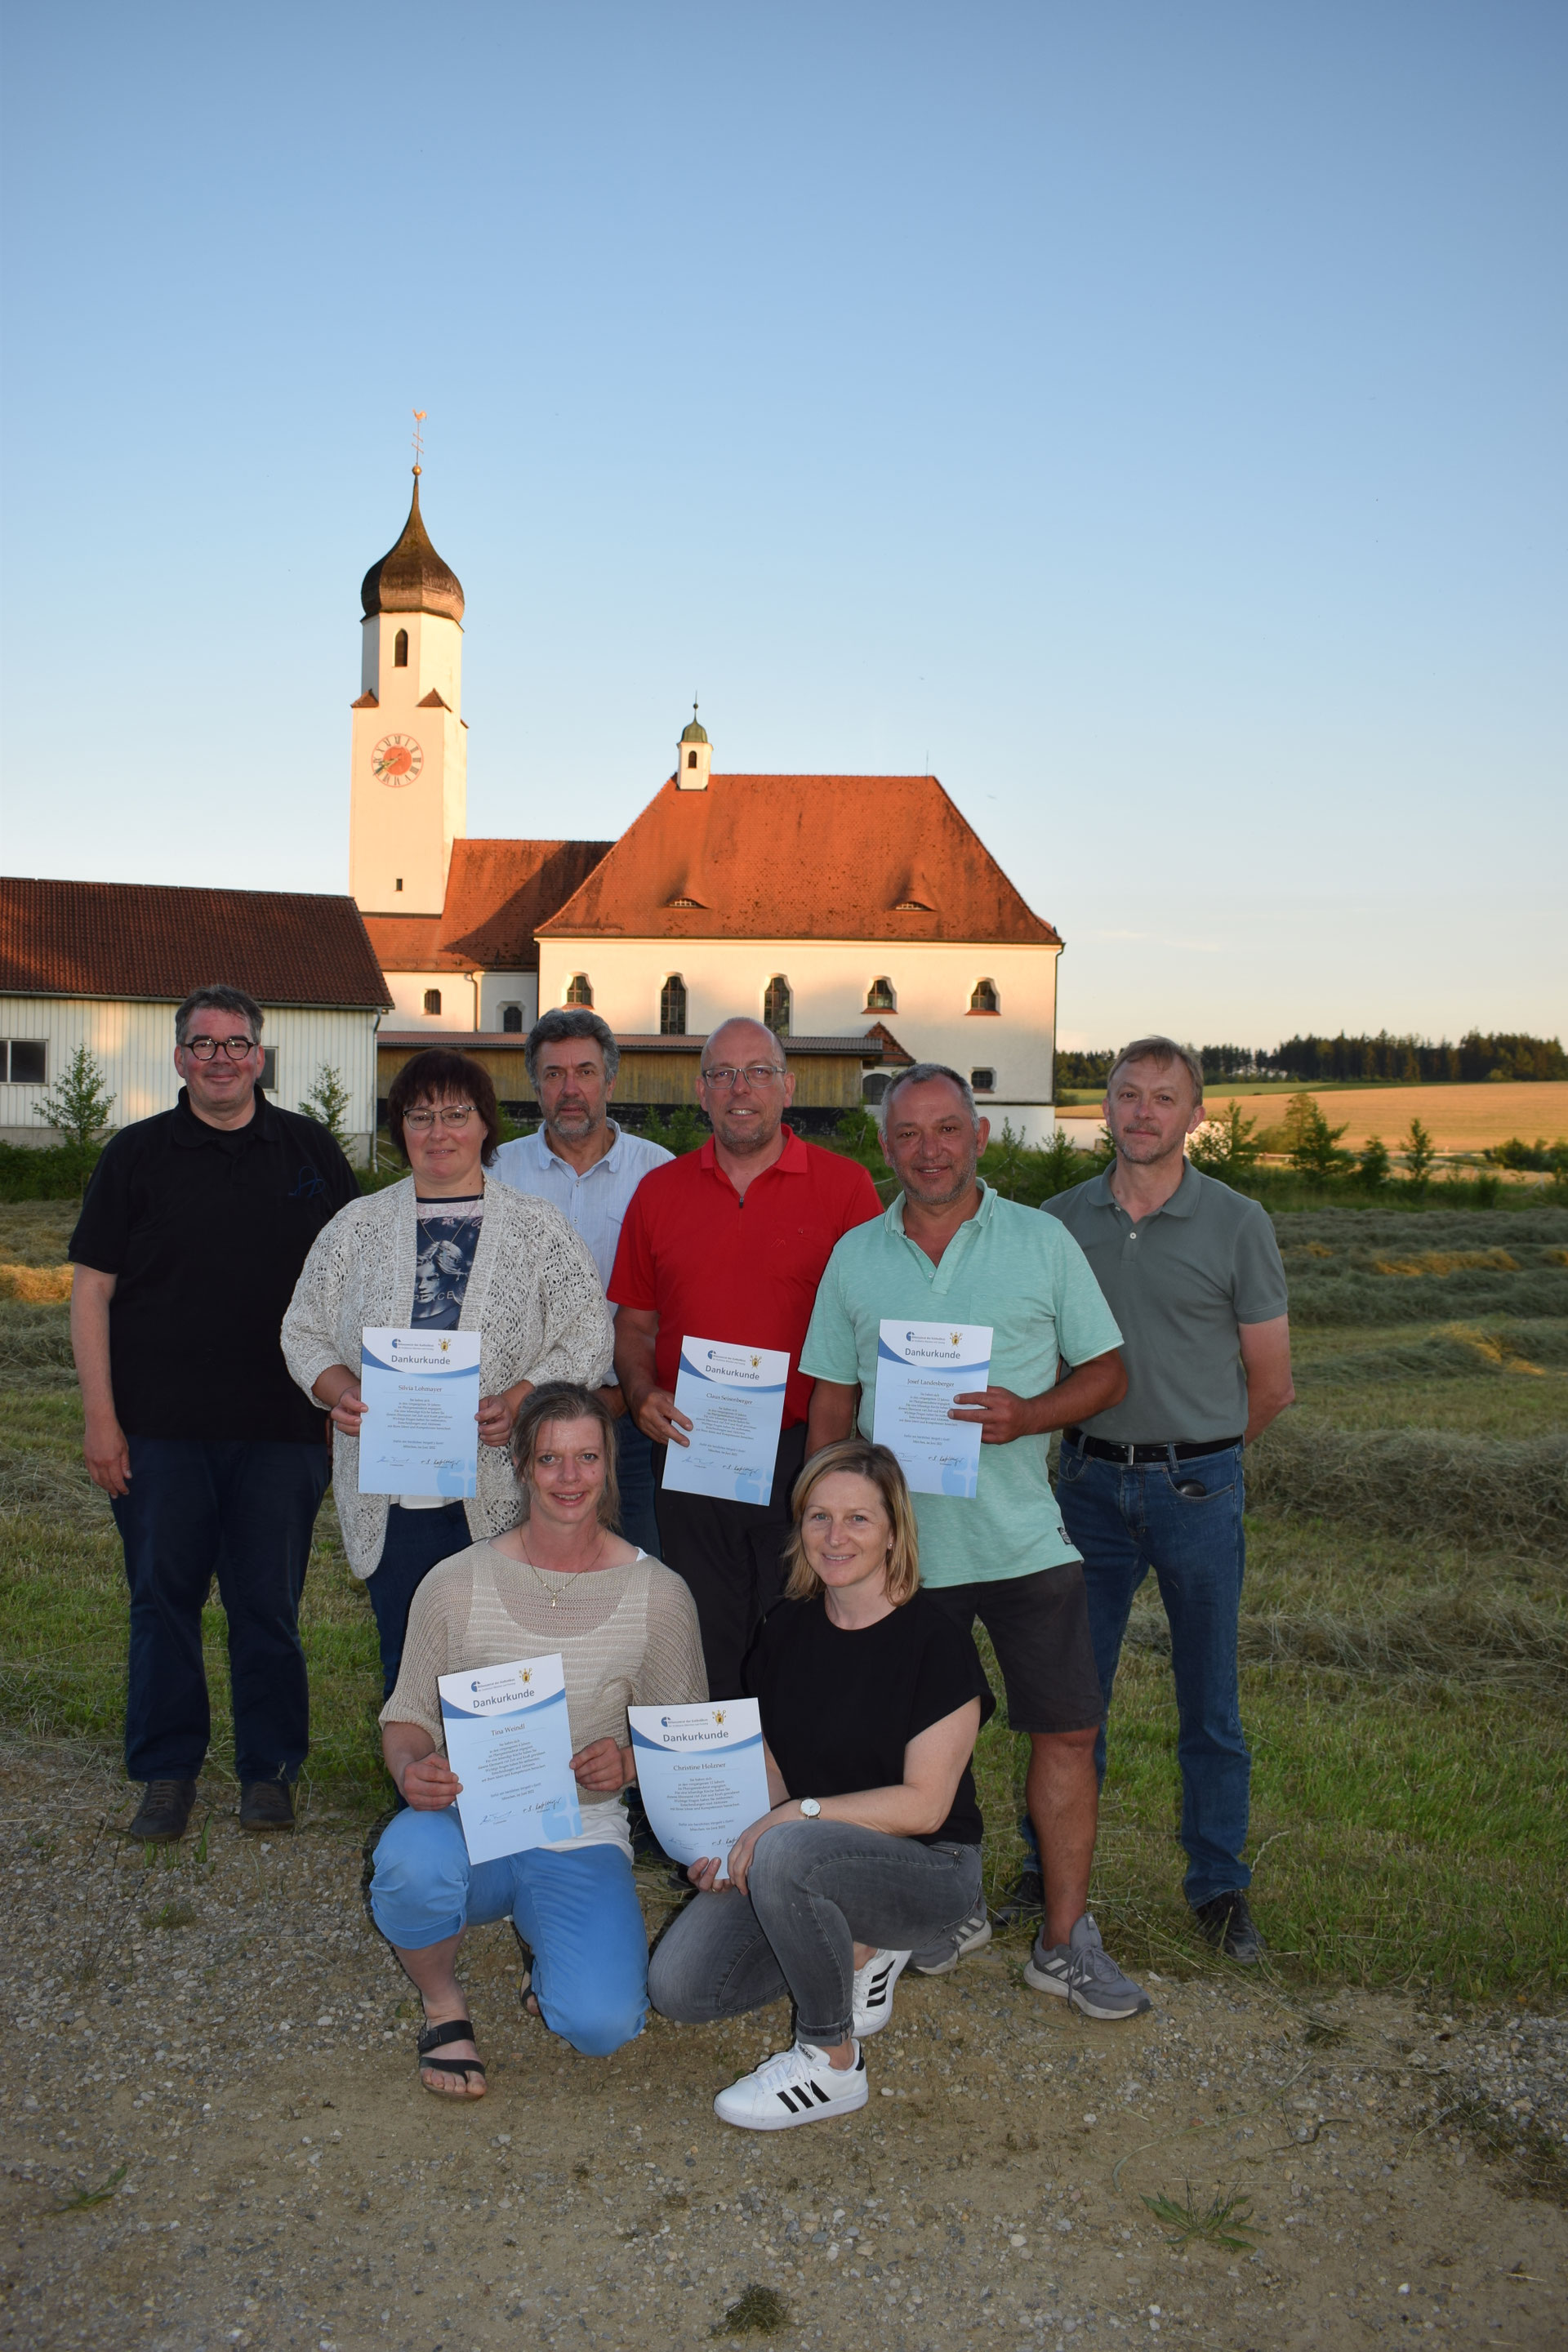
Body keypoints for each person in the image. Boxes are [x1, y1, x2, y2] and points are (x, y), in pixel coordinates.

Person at [801, 1063, 1152, 2021]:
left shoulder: (1040, 1241)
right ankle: (941, 1909)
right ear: (886, 1146)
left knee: (1066, 1731)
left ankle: (1064, 1941)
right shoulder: (855, 1255)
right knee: (903, 1746)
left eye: (948, 1129)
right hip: (900, 1558)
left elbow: (1110, 1371)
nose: (930, 1150)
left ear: (980, 1136)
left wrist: (1028, 1413)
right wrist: (825, 1518)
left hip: (1023, 1542)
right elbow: (832, 1397)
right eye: (909, 1134)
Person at [67, 983, 360, 1843]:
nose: (220, 1058)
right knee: (163, 1602)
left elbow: (356, 1283)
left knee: (267, 1606)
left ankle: (269, 1773)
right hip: (158, 1432)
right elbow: (90, 1292)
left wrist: (347, 1394)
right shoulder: (135, 1155)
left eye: (235, 1044)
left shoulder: (309, 1149)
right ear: (179, 1058)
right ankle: (167, 1775)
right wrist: (100, 1419)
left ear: (260, 1057)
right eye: (203, 1044)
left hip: (284, 1429)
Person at [368, 1383, 708, 2092]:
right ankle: (443, 2004)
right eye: (550, 1459)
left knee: (601, 2025)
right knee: (410, 1864)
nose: (569, 1477)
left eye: (587, 1457)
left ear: (609, 1465)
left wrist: (629, 1765)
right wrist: (409, 1769)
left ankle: (546, 1944)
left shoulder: (659, 1594)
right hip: (468, 1821)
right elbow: (408, 1716)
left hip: (579, 1832)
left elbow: (686, 1743)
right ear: (521, 1465)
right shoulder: (454, 1583)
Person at [649, 1439, 993, 2128]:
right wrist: (730, 1844)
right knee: (680, 1987)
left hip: (928, 1869)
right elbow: (770, 1770)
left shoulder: (937, 1638)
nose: (835, 1537)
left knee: (785, 1849)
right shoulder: (785, 1628)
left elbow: (926, 1807)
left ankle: (830, 2060)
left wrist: (790, 1820)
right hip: (805, 1858)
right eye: (819, 1517)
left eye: (858, 1519)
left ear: (893, 1531)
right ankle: (855, 1944)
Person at [1042, 1037, 1294, 1962]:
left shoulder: (1237, 1222)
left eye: (1163, 1097)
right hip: (1086, 1489)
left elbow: (1271, 1384)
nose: (1143, 1112)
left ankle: (1219, 1885)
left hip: (1197, 1491)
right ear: (1104, 1106)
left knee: (1210, 1702)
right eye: (1127, 1094)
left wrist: (1200, 1458)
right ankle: (1044, 1866)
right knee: (1072, 1699)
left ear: (1196, 1114)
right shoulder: (1058, 1222)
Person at [281, 1048, 612, 1695]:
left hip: (507, 1488)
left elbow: (588, 1335)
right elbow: (302, 1329)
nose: (438, 1132)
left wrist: (521, 1399)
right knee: (410, 1666)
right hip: (393, 1497)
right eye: (420, 1116)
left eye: (456, 1114)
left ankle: (503, 1765)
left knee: (508, 1668)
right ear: (399, 1128)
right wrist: (340, 1391)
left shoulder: (537, 1228)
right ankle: (420, 1765)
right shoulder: (355, 1228)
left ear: (485, 1124)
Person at [609, 1016, 883, 1696]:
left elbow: (871, 1330)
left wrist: (831, 1461)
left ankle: (792, 1761)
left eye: (759, 1072)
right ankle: (717, 1761)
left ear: (788, 1088)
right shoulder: (659, 1193)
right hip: (690, 1446)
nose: (741, 1088)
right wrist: (639, 1393)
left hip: (804, 1448)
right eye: (723, 1074)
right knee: (706, 1630)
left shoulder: (847, 1189)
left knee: (802, 1625)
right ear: (700, 1092)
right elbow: (635, 1325)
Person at [490, 1009, 671, 1556]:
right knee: (525, 1570)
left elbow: (677, 1298)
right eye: (554, 1074)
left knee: (634, 1570)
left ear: (609, 1082)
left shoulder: (660, 1174)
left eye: (585, 1072)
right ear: (536, 1086)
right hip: (519, 1421)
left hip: (629, 1419)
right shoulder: (496, 1173)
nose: (570, 1089)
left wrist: (624, 1395)